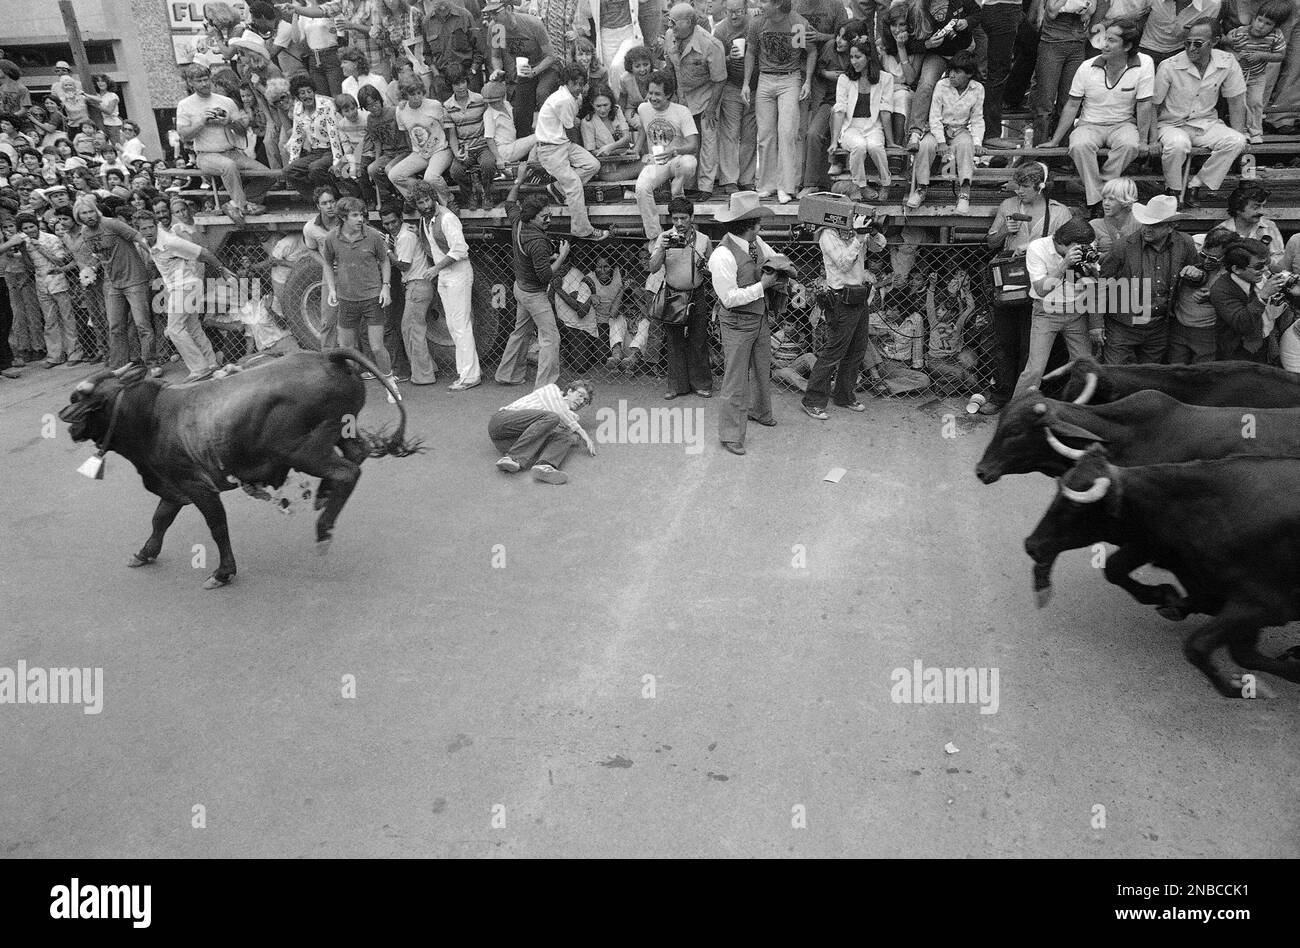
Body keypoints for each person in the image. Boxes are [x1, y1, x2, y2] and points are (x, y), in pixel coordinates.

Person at [980, 162, 1072, 415]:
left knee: (1031, 348)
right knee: (1004, 342)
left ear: (1040, 187)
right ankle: (1000, 395)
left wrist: (1034, 249)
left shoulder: (1059, 213)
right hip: (1009, 285)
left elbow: (1066, 250)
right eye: (1017, 186)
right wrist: (1003, 233)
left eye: (1025, 187)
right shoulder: (1009, 206)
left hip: (1041, 287)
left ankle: (1023, 403)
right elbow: (990, 243)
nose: (1019, 191)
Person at [1044, 20, 1153, 217]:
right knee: (1079, 145)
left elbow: (1145, 105)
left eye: (1111, 40)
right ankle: (1097, 200)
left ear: (1127, 46)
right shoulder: (1087, 67)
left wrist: (1144, 140)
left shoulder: (1144, 63)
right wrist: (1055, 140)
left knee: (1130, 145)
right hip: (1089, 123)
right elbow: (1072, 104)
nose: (1104, 44)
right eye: (1104, 39)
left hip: (1123, 123)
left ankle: (1098, 194)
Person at [708, 191, 781, 455]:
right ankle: (730, 435)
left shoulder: (756, 242)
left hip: (758, 317)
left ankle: (760, 411)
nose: (760, 225)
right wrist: (763, 285)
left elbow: (775, 257)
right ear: (747, 225)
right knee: (735, 379)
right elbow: (728, 299)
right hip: (737, 322)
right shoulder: (722, 256)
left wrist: (781, 267)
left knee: (762, 368)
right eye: (757, 221)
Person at [800, 209, 887, 420]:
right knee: (834, 351)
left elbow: (880, 246)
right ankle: (812, 401)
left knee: (857, 349)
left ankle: (844, 395)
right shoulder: (828, 234)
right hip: (840, 298)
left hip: (859, 296)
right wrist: (858, 238)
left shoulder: (857, 230)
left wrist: (872, 232)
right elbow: (844, 263)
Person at [1153, 18, 1247, 209]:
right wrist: (1152, 139)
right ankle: (1173, 190)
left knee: (1236, 141)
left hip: (1206, 123)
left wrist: (1241, 134)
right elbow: (1153, 105)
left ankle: (1195, 185)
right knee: (1178, 144)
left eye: (1198, 43)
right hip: (1171, 124)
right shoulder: (1169, 65)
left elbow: (1236, 100)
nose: (1191, 49)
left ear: (1214, 41)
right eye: (1187, 43)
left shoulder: (1227, 62)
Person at [134, 209, 232, 383]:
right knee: (192, 327)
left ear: (156, 225)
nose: (149, 231)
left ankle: (199, 368)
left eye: (151, 227)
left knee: (174, 329)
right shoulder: (145, 241)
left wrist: (222, 269)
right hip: (179, 287)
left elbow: (204, 253)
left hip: (186, 286)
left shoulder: (171, 242)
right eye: (144, 229)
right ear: (139, 229)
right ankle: (211, 364)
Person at [1097, 193, 1197, 363]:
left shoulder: (1185, 243)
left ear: (1171, 227)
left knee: (1150, 377)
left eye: (1155, 225)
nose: (1147, 229)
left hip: (1159, 327)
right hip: (1122, 327)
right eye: (1145, 223)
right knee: (1117, 377)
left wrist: (1197, 275)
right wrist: (1096, 324)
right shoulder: (1122, 246)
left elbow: (1196, 274)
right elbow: (1101, 284)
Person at [321, 195, 400, 402]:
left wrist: (385, 287)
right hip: (347, 301)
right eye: (355, 215)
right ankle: (347, 387)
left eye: (362, 215)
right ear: (343, 218)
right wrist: (331, 289)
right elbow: (327, 264)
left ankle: (390, 382)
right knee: (346, 349)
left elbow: (385, 262)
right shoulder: (331, 239)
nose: (360, 219)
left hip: (372, 298)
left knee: (376, 346)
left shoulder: (373, 236)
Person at [1013, 217, 1103, 396]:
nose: (1084, 249)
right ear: (1062, 243)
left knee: (1085, 367)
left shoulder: (1085, 245)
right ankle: (1016, 411)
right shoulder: (1038, 248)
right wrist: (1064, 264)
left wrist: (1093, 270)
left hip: (1077, 311)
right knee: (1035, 370)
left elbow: (1094, 284)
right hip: (1046, 311)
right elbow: (1040, 289)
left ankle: (1081, 411)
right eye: (1078, 247)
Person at [67, 194, 157, 372]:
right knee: (115, 326)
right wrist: (92, 267)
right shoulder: (85, 232)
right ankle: (120, 365)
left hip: (134, 279)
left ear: (97, 211)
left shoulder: (110, 223)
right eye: (84, 213)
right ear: (78, 216)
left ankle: (151, 363)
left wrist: (157, 256)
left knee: (142, 324)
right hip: (112, 282)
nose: (89, 216)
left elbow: (138, 237)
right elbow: (100, 255)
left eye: (91, 211)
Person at [175, 63, 273, 225]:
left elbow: (242, 132)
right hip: (206, 155)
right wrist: (201, 121)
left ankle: (235, 203)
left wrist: (229, 121)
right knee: (228, 166)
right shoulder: (185, 105)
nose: (204, 84)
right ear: (190, 83)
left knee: (268, 175)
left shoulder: (226, 101)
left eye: (206, 79)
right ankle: (242, 205)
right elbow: (184, 135)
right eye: (199, 81)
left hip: (232, 151)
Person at [743, 0, 816, 204]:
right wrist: (746, 84)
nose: (760, 4)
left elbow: (810, 51)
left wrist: (808, 81)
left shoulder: (797, 23)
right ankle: (766, 184)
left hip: (789, 78)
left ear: (777, 4)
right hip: (765, 78)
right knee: (765, 134)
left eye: (765, 1)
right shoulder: (758, 23)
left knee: (787, 133)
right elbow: (750, 52)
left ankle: (786, 186)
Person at [411, 181, 482, 390]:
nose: (424, 205)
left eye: (426, 200)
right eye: (420, 202)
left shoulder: (448, 218)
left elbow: (460, 250)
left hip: (458, 274)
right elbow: (433, 245)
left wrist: (435, 268)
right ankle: (466, 373)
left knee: (461, 326)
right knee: (453, 326)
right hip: (445, 275)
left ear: (433, 197)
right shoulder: (425, 220)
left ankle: (470, 376)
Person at [497, 194, 570, 386]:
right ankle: (545, 386)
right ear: (531, 216)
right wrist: (562, 256)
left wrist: (520, 178)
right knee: (551, 338)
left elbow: (510, 202)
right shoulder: (538, 241)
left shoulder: (518, 222)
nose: (549, 220)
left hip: (519, 287)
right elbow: (545, 277)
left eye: (550, 215)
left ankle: (508, 374)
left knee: (520, 332)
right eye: (544, 217)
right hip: (533, 295)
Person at [535, 63, 610, 239]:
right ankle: (582, 229)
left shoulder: (571, 96)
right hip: (550, 150)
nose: (578, 88)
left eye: (581, 83)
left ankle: (558, 188)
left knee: (593, 164)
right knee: (575, 185)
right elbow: (571, 129)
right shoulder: (564, 99)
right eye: (574, 83)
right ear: (566, 82)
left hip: (563, 144)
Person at [648, 196, 713, 399]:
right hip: (673, 294)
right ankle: (677, 386)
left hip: (697, 293)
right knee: (674, 341)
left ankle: (701, 383)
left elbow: (712, 268)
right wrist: (663, 248)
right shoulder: (664, 238)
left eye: (684, 218)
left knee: (699, 340)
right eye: (675, 218)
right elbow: (652, 267)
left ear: (691, 217)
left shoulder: (703, 240)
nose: (679, 223)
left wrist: (705, 267)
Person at [663, 3, 727, 201]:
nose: (671, 26)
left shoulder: (710, 44)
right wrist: (670, 94)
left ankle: (706, 187)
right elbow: (670, 66)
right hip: (682, 95)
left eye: (674, 22)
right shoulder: (669, 36)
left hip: (707, 93)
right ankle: (688, 185)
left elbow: (720, 78)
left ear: (689, 22)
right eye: (669, 22)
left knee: (708, 138)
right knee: (685, 140)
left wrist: (711, 108)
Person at [900, 0, 981, 154]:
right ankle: (915, 132)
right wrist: (927, 44)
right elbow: (911, 44)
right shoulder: (917, 8)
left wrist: (967, 22)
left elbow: (978, 13)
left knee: (971, 87)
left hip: (962, 53)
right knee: (926, 83)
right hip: (937, 54)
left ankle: (972, 134)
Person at [908, 48, 978, 211]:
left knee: (967, 145)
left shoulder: (978, 89)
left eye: (958, 72)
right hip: (937, 130)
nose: (952, 75)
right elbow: (934, 117)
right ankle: (921, 188)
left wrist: (978, 141)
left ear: (969, 74)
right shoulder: (941, 85)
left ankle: (964, 192)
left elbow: (977, 119)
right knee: (925, 145)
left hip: (960, 130)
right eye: (951, 71)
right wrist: (940, 142)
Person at [490, 378, 597, 484]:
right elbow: (559, 411)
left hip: (509, 444)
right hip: (501, 423)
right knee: (553, 417)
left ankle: (544, 466)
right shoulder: (551, 390)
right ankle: (513, 458)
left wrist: (572, 433)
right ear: (569, 391)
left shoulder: (570, 417)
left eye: (585, 401)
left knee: (567, 436)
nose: (582, 401)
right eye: (580, 395)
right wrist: (582, 433)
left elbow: (563, 425)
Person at [829, 36, 894, 202]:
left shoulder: (885, 78)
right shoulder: (845, 79)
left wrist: (891, 141)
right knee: (858, 146)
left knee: (874, 146)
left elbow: (885, 110)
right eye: (851, 57)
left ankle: (886, 183)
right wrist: (834, 141)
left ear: (869, 57)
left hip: (873, 125)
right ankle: (861, 186)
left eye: (858, 57)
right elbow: (840, 110)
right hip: (851, 126)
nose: (854, 61)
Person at [634, 71, 699, 238]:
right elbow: (643, 129)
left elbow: (693, 145)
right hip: (657, 161)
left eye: (658, 94)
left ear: (669, 94)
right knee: (641, 188)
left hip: (677, 159)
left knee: (689, 163)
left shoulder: (681, 111)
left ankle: (677, 192)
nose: (653, 98)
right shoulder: (643, 108)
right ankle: (655, 236)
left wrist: (674, 150)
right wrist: (637, 149)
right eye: (650, 93)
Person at [485, 0, 560, 138]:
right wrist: (497, 70)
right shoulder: (496, 28)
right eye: (489, 14)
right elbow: (496, 57)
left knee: (542, 93)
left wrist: (535, 71)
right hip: (525, 71)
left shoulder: (532, 24)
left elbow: (551, 56)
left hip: (546, 67)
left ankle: (553, 136)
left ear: (508, 9)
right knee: (520, 113)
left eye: (495, 13)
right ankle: (525, 149)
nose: (493, 17)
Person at [16, 212, 81, 367]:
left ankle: (74, 353)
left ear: (37, 225)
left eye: (31, 226)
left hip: (58, 281)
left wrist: (41, 248)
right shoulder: (25, 242)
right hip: (41, 284)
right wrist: (24, 250)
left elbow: (59, 261)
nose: (29, 230)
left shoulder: (51, 239)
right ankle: (55, 356)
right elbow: (30, 267)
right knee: (50, 321)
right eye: (25, 228)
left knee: (67, 318)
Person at [1223, 0, 1290, 144]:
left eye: (1268, 24)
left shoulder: (1276, 36)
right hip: (1238, 76)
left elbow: (1280, 56)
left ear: (1275, 27)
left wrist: (1261, 56)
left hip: (1257, 76)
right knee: (1239, 103)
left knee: (1255, 102)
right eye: (1260, 20)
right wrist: (1234, 53)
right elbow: (1224, 43)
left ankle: (1255, 132)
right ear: (1254, 18)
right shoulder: (1240, 32)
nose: (1261, 26)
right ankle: (1240, 132)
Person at [1213, 236, 1287, 362]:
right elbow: (1242, 324)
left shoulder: (1262, 276)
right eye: (1258, 266)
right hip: (1238, 351)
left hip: (1267, 341)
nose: (1264, 269)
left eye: (1266, 263)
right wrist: (1263, 296)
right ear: (1237, 269)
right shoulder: (1221, 290)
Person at [1167, 225, 1233, 364]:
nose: (1207, 261)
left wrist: (1215, 296)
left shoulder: (1231, 275)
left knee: (1202, 375)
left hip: (1206, 333)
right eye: (1204, 255)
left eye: (1214, 259)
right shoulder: (1192, 257)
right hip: (1178, 328)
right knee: (1174, 372)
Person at [711, 0, 756, 195]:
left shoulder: (755, 24)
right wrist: (729, 57)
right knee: (729, 133)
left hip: (755, 85)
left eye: (738, 11)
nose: (734, 16)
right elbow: (715, 61)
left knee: (750, 134)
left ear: (746, 10)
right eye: (730, 12)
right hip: (731, 85)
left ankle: (746, 178)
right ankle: (729, 179)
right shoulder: (720, 31)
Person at [388, 76, 454, 206]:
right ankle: (419, 196)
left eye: (419, 93)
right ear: (405, 94)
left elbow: (447, 127)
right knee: (394, 175)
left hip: (440, 150)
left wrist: (452, 148)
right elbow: (407, 134)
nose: (417, 97)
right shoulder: (400, 111)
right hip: (419, 154)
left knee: (430, 177)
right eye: (412, 94)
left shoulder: (434, 105)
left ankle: (449, 201)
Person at [286, 75, 345, 201]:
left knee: (315, 168)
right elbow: (297, 137)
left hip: (330, 150)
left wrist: (337, 161)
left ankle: (335, 198)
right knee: (288, 171)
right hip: (314, 151)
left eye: (309, 91)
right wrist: (293, 160)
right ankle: (316, 198)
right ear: (297, 96)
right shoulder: (297, 108)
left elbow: (333, 134)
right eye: (302, 93)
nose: (307, 95)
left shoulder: (326, 105)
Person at [303, 184, 343, 348]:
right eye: (325, 203)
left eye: (332, 202)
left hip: (353, 273)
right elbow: (311, 249)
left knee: (354, 321)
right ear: (318, 206)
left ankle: (358, 363)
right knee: (327, 320)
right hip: (330, 277)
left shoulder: (347, 220)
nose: (329, 206)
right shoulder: (310, 228)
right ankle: (328, 361)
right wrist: (326, 264)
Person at [1210, 181, 1284, 268]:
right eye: (1256, 207)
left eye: (1263, 206)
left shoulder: (1269, 227)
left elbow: (1280, 263)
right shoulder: (1221, 232)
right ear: (1238, 208)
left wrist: (1267, 261)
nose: (1262, 211)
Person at [421, 0, 484, 100]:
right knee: (447, 112)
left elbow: (478, 48)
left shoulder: (465, 16)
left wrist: (473, 70)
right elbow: (427, 53)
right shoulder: (426, 22)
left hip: (467, 75)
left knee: (475, 110)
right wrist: (436, 74)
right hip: (443, 78)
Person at [1136, 0, 1223, 66]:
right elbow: (1134, 18)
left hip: (1181, 53)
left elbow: (1208, 35)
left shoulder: (1212, 4)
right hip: (1144, 49)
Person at [1089, 176, 1141, 253]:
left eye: (1111, 199)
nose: (1105, 203)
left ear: (1125, 201)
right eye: (1104, 198)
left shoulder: (1139, 225)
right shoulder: (1094, 225)